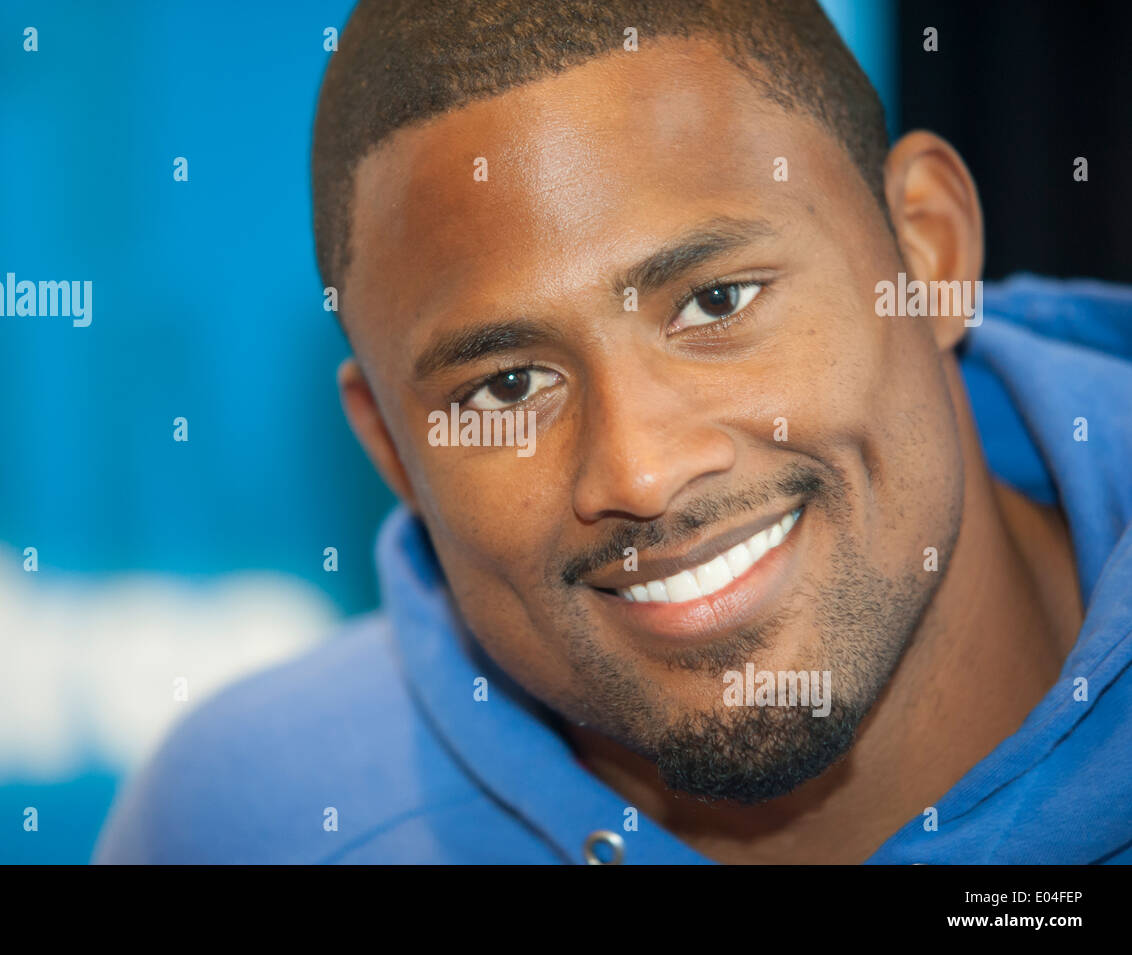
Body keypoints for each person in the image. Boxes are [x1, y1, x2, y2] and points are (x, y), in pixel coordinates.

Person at [95, 0, 1132, 864]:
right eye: (507, 386)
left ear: (928, 251)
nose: (637, 468)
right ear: (390, 451)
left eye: (717, 300)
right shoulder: (241, 823)